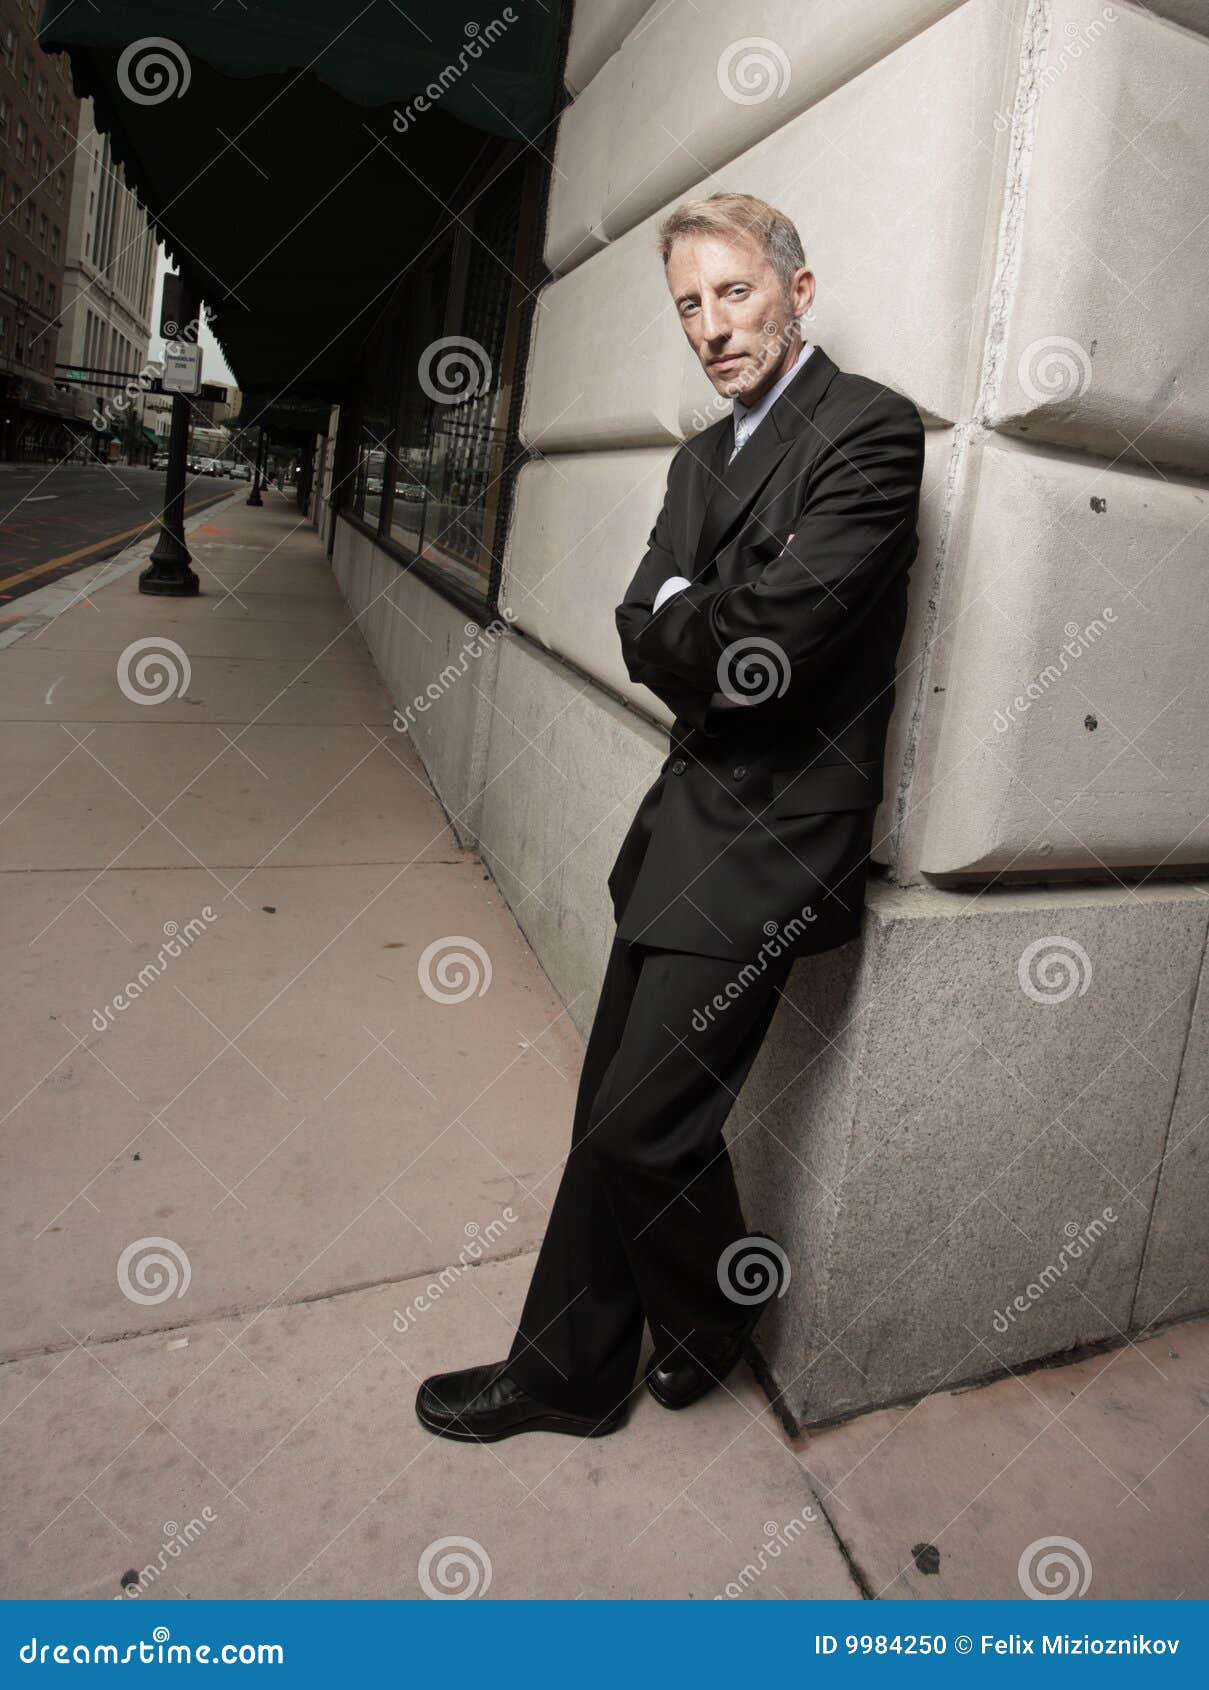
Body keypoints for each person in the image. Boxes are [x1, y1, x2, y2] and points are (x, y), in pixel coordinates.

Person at [416, 191, 926, 1442]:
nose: (711, 326)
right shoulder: (702, 457)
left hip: (775, 837)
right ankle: (569, 1369)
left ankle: (715, 1308)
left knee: (649, 1123)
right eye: (689, 306)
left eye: (734, 292)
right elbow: (642, 629)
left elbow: (774, 646)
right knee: (616, 1109)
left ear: (798, 291)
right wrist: (702, 612)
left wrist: (706, 610)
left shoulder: (870, 431)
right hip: (685, 819)